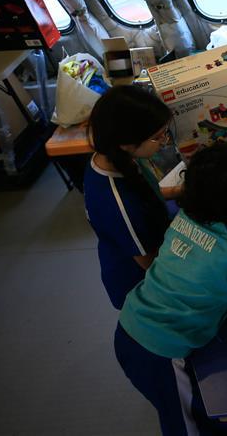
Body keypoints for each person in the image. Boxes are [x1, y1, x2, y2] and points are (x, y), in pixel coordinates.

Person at [114, 139, 227, 436]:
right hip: (161, 352)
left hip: (130, 325)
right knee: (185, 426)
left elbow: (212, 251)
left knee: (192, 412)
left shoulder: (183, 216)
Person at [84, 85, 174, 309]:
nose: (164, 141)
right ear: (126, 142)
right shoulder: (118, 204)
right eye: (157, 137)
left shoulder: (113, 157)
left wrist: (181, 190)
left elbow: (146, 191)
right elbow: (150, 264)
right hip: (141, 285)